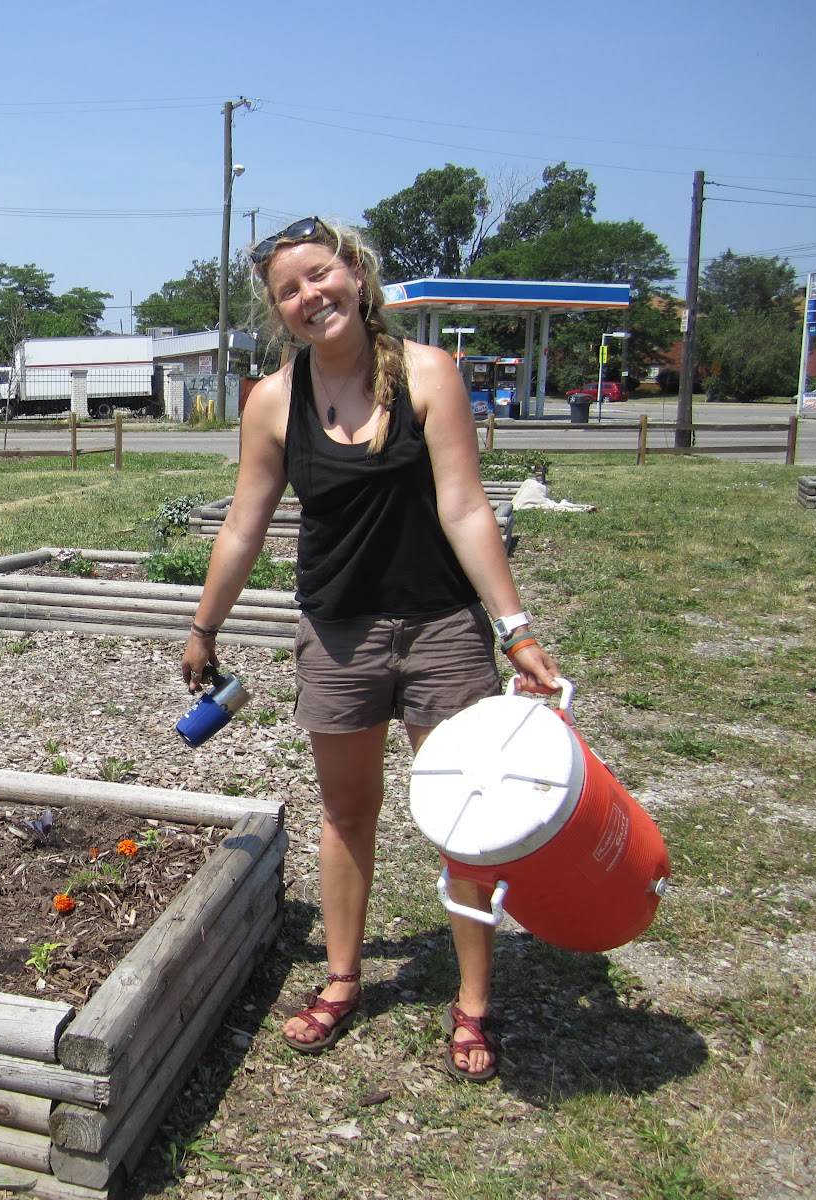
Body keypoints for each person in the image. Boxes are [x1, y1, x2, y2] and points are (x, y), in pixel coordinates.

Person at [180, 216, 561, 1083]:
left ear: (355, 272)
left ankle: (473, 1003)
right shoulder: (273, 399)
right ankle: (343, 979)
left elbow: (465, 507)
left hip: (441, 631)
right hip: (338, 636)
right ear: (278, 311)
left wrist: (516, 629)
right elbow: (244, 524)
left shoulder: (428, 373)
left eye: (321, 274)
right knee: (347, 815)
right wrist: (204, 627)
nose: (310, 296)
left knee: (464, 815)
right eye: (289, 290)